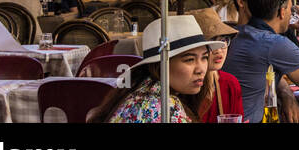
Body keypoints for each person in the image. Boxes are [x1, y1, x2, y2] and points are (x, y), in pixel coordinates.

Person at [221, 0, 299, 122]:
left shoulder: (237, 32)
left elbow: (259, 69)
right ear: (282, 12)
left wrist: (286, 93)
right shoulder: (274, 43)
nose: (291, 14)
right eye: (290, 9)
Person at [90, 15, 224, 123]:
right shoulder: (165, 108)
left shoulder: (141, 92)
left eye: (204, 58)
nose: (200, 69)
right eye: (189, 59)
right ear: (160, 65)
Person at [192, 8, 243, 122]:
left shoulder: (230, 84)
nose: (219, 50)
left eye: (224, 40)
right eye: (212, 42)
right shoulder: (184, 88)